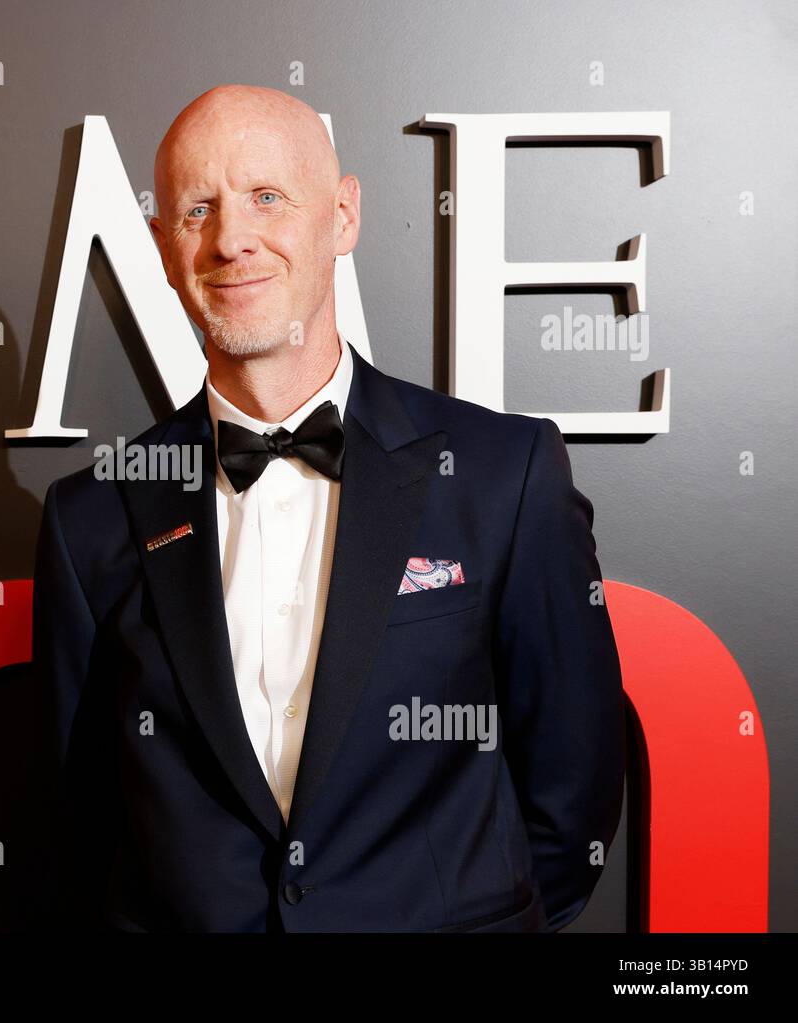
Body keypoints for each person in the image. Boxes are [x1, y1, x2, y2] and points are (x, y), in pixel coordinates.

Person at [31, 83, 625, 932]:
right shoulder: (90, 516)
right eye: (198, 209)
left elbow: (573, 797)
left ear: (342, 216)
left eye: (267, 197)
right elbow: (78, 826)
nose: (232, 238)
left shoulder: (504, 475)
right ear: (164, 250)